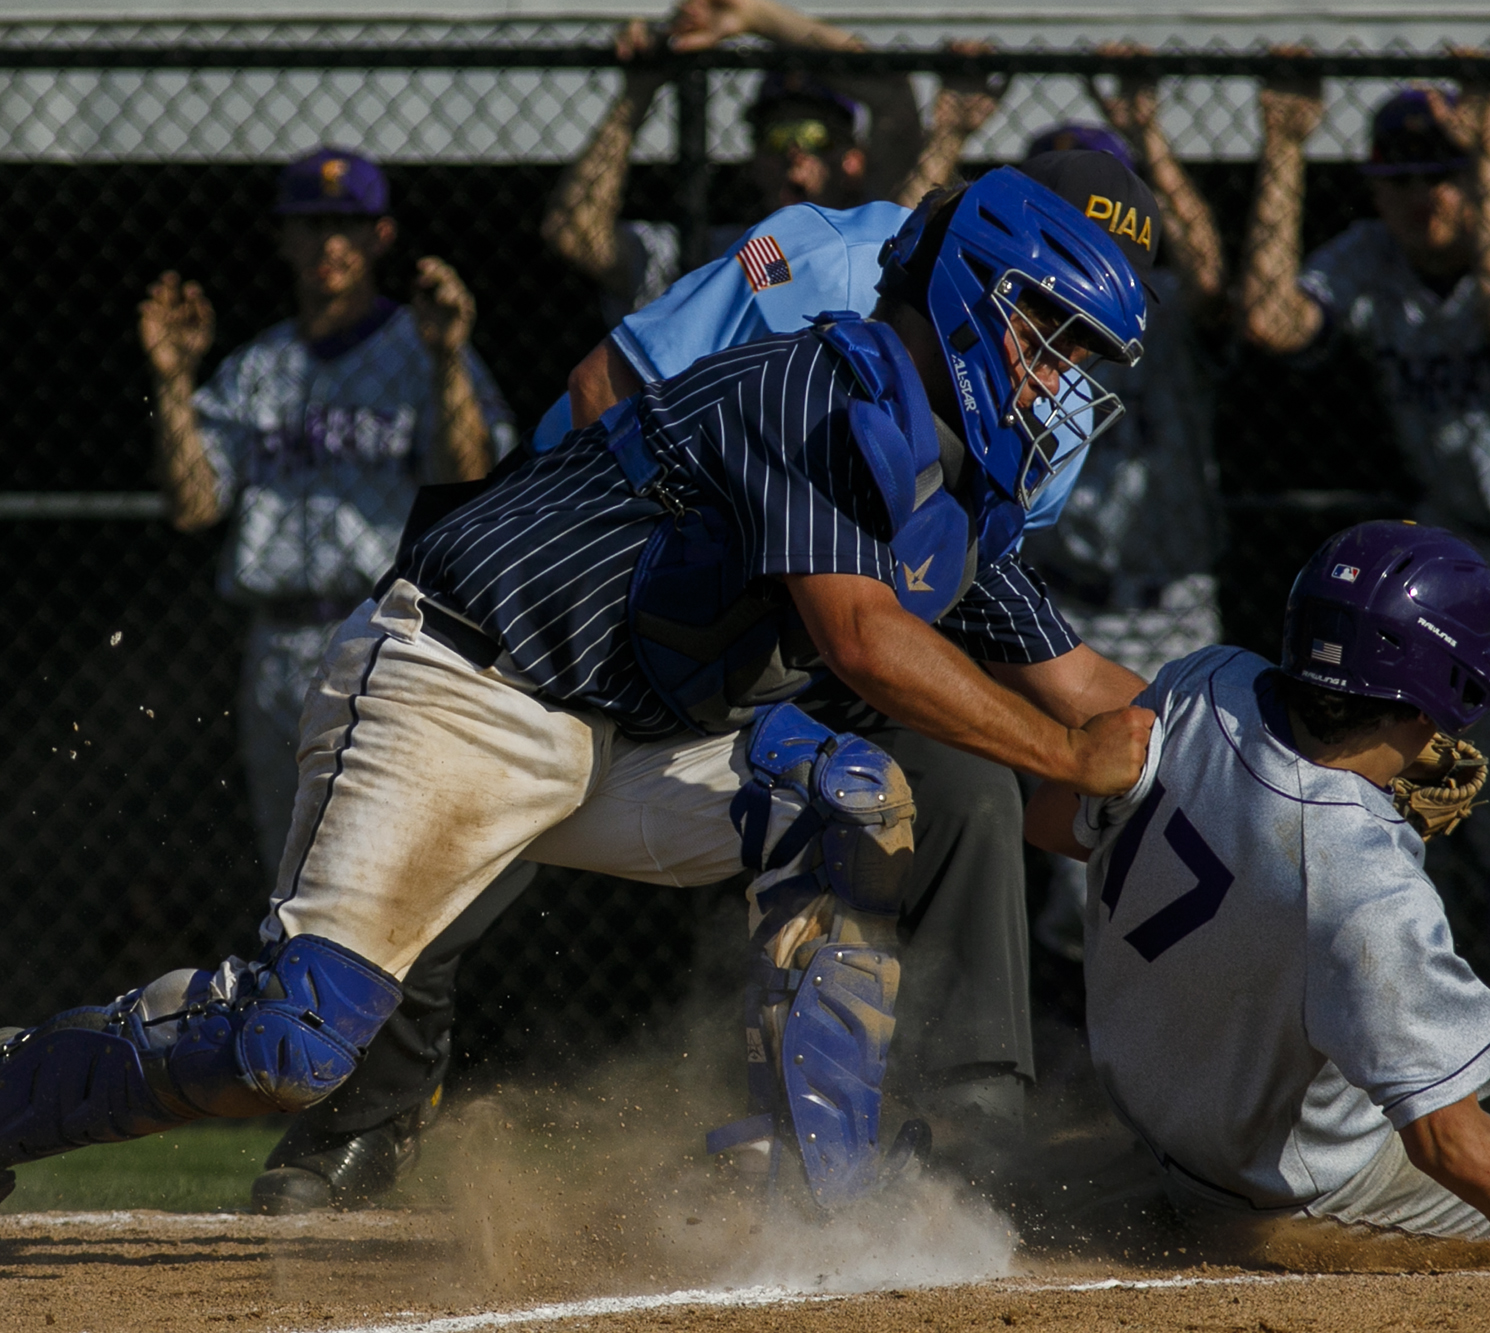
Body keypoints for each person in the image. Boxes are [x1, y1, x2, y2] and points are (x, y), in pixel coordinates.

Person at [0, 153, 1159, 1211]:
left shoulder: (962, 493)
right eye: (1047, 338)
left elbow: (1079, 677)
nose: (1060, 383)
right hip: (465, 681)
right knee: (289, 1041)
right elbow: (863, 642)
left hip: (627, 737)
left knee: (846, 798)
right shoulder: (820, 382)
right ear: (970, 291)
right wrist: (1065, 760)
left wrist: (1250, 740)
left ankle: (816, 1201)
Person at [254, 187, 1090, 1210]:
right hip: (604, 595)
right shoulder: (820, 256)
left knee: (952, 787)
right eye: (1051, 319)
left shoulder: (1035, 380)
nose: (1064, 359)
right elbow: (608, 384)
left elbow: (987, 612)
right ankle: (356, 1121)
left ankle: (955, 1120)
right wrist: (686, 584)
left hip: (793, 618)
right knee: (447, 867)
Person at [1021, 522, 1490, 1261]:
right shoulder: (1365, 881)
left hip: (1149, 1121)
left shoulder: (1203, 680)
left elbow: (1052, 821)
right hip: (1281, 1186)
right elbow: (1451, 1144)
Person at [1240, 75, 1490, 1003]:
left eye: (1445, 174)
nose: (1428, 198)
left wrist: (1489, 155)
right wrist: (1283, 150)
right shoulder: (1369, 256)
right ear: (1375, 190)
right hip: (1474, 565)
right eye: (1403, 179)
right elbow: (1271, 316)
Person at [139, 147, 516, 879]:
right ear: (283, 238)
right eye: (310, 224)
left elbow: (468, 478)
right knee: (293, 875)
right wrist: (174, 383)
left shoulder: (423, 344)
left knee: (388, 870)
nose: (328, 243)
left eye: (346, 225)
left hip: (390, 631)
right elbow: (194, 504)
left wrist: (446, 364)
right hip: (278, 647)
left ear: (381, 237)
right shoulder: (258, 366)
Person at [540, 0, 923, 328]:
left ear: (851, 160)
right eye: (775, 136)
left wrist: (755, 16)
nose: (794, 152)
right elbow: (574, 231)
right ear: (754, 161)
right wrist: (637, 91)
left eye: (813, 136)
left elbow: (893, 96)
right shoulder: (710, 256)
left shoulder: (877, 246)